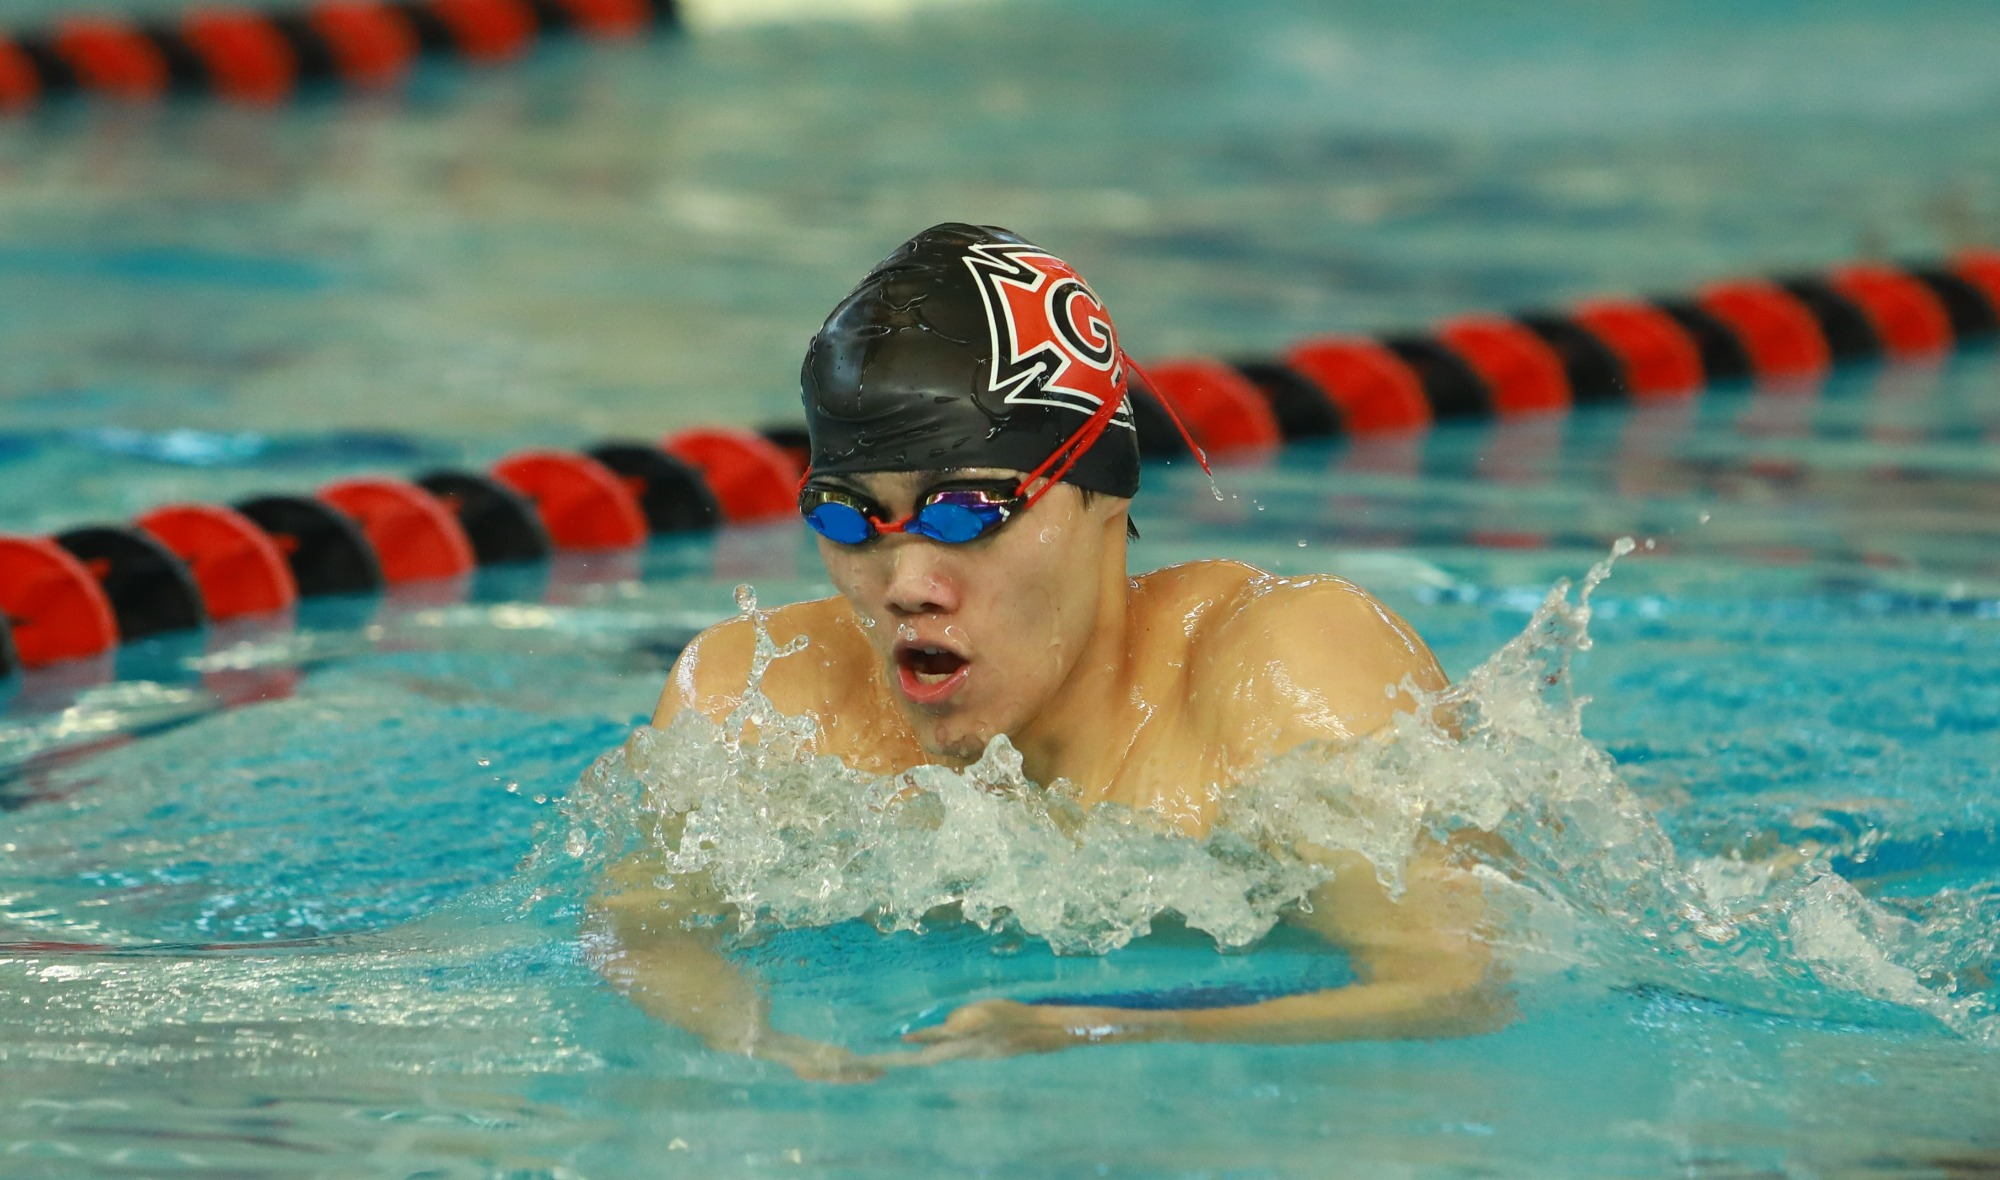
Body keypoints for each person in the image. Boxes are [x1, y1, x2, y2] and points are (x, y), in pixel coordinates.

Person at [591, 223, 1508, 1081]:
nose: (906, 580)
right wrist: (756, 1047)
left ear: (1102, 492)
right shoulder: (761, 696)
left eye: (967, 510)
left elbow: (1454, 985)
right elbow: (637, 932)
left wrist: (1103, 1031)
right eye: (848, 514)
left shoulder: (1283, 677)